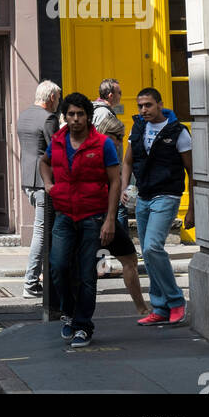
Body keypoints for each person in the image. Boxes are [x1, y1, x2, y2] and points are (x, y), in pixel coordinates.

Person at [40, 91, 120, 347]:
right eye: (71, 114)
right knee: (58, 266)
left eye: (80, 114)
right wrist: (48, 184)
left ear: (88, 117)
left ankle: (83, 325)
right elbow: (44, 162)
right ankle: (69, 313)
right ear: (65, 116)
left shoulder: (102, 144)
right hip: (64, 215)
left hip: (93, 217)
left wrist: (109, 220)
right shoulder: (57, 141)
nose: (75, 119)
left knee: (87, 274)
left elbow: (115, 181)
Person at [122, 86, 194, 327]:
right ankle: (160, 307)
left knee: (152, 248)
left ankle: (176, 301)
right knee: (149, 254)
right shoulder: (138, 127)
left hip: (167, 195)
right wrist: (125, 188)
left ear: (160, 105)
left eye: (148, 105)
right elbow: (128, 161)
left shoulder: (178, 132)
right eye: (140, 105)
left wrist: (192, 208)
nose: (144, 110)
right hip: (143, 196)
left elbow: (191, 172)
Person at [91, 79, 148, 316]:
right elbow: (113, 184)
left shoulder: (93, 119)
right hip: (102, 214)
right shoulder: (106, 154)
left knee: (107, 260)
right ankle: (141, 308)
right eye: (118, 137)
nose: (120, 142)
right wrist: (111, 218)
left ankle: (141, 307)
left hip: (97, 214)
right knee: (128, 260)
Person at [17, 79, 61, 298]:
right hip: (44, 181)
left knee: (44, 230)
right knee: (42, 233)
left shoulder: (23, 115)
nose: (58, 102)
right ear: (52, 97)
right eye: (58, 98)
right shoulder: (49, 118)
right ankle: (31, 283)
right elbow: (56, 149)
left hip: (27, 179)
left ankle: (44, 279)